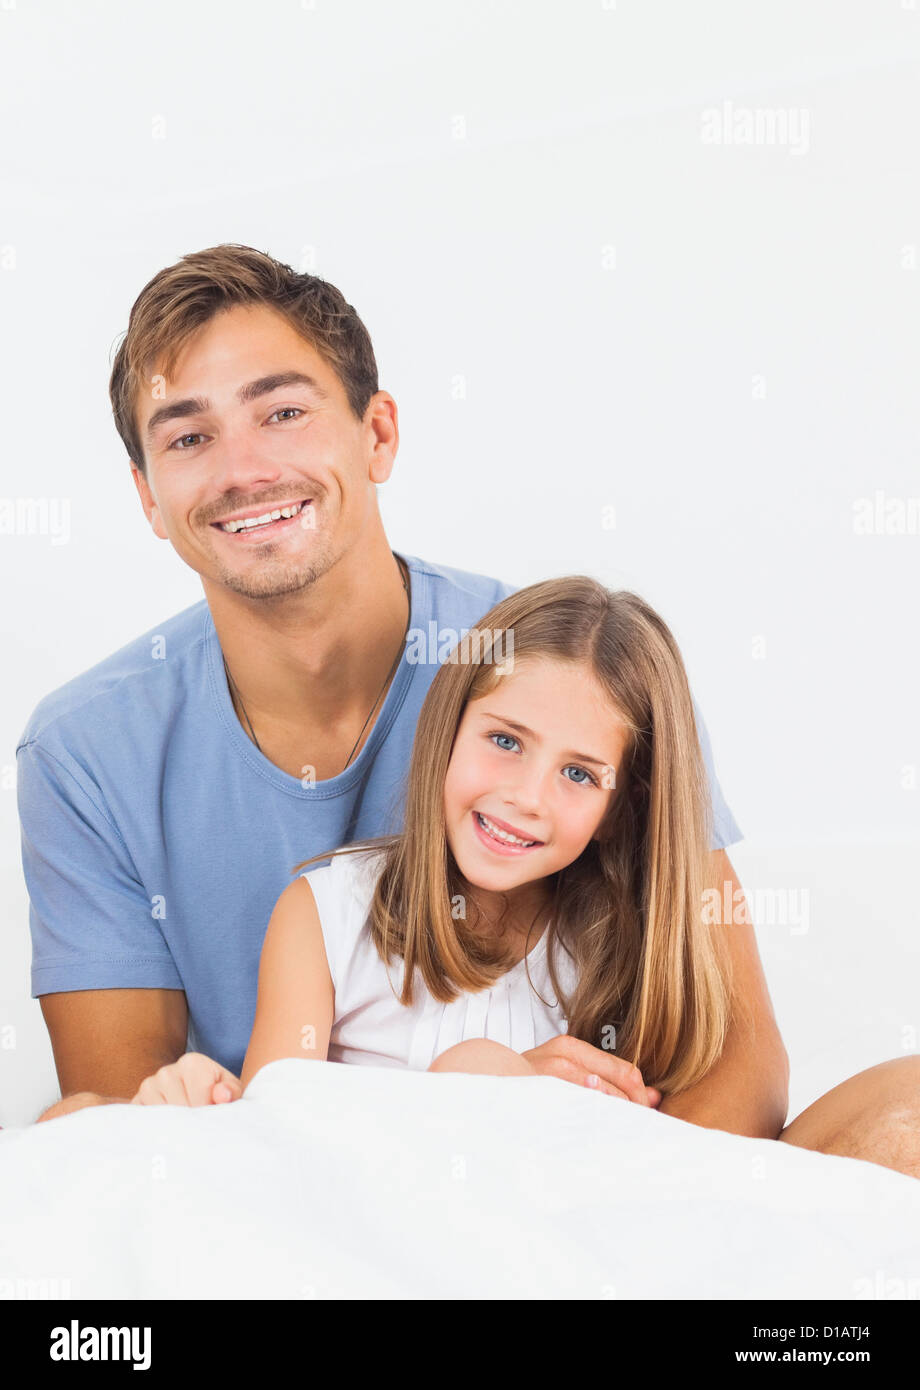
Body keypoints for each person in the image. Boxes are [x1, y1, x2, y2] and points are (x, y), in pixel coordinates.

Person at [20, 244, 767, 1135]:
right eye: (188, 437)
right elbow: (125, 1121)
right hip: (282, 1206)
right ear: (148, 496)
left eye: (284, 412)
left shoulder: (561, 677)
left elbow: (741, 1061)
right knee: (66, 1121)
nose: (243, 470)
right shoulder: (84, 752)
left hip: (586, 1199)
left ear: (377, 435)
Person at [126, 579, 920, 1187]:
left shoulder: (623, 934)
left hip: (591, 1225)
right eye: (506, 740)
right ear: (449, 729)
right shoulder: (327, 913)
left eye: (579, 772)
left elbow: (674, 1148)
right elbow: (282, 1123)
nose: (527, 796)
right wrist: (489, 1085)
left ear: (617, 810)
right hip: (401, 1226)